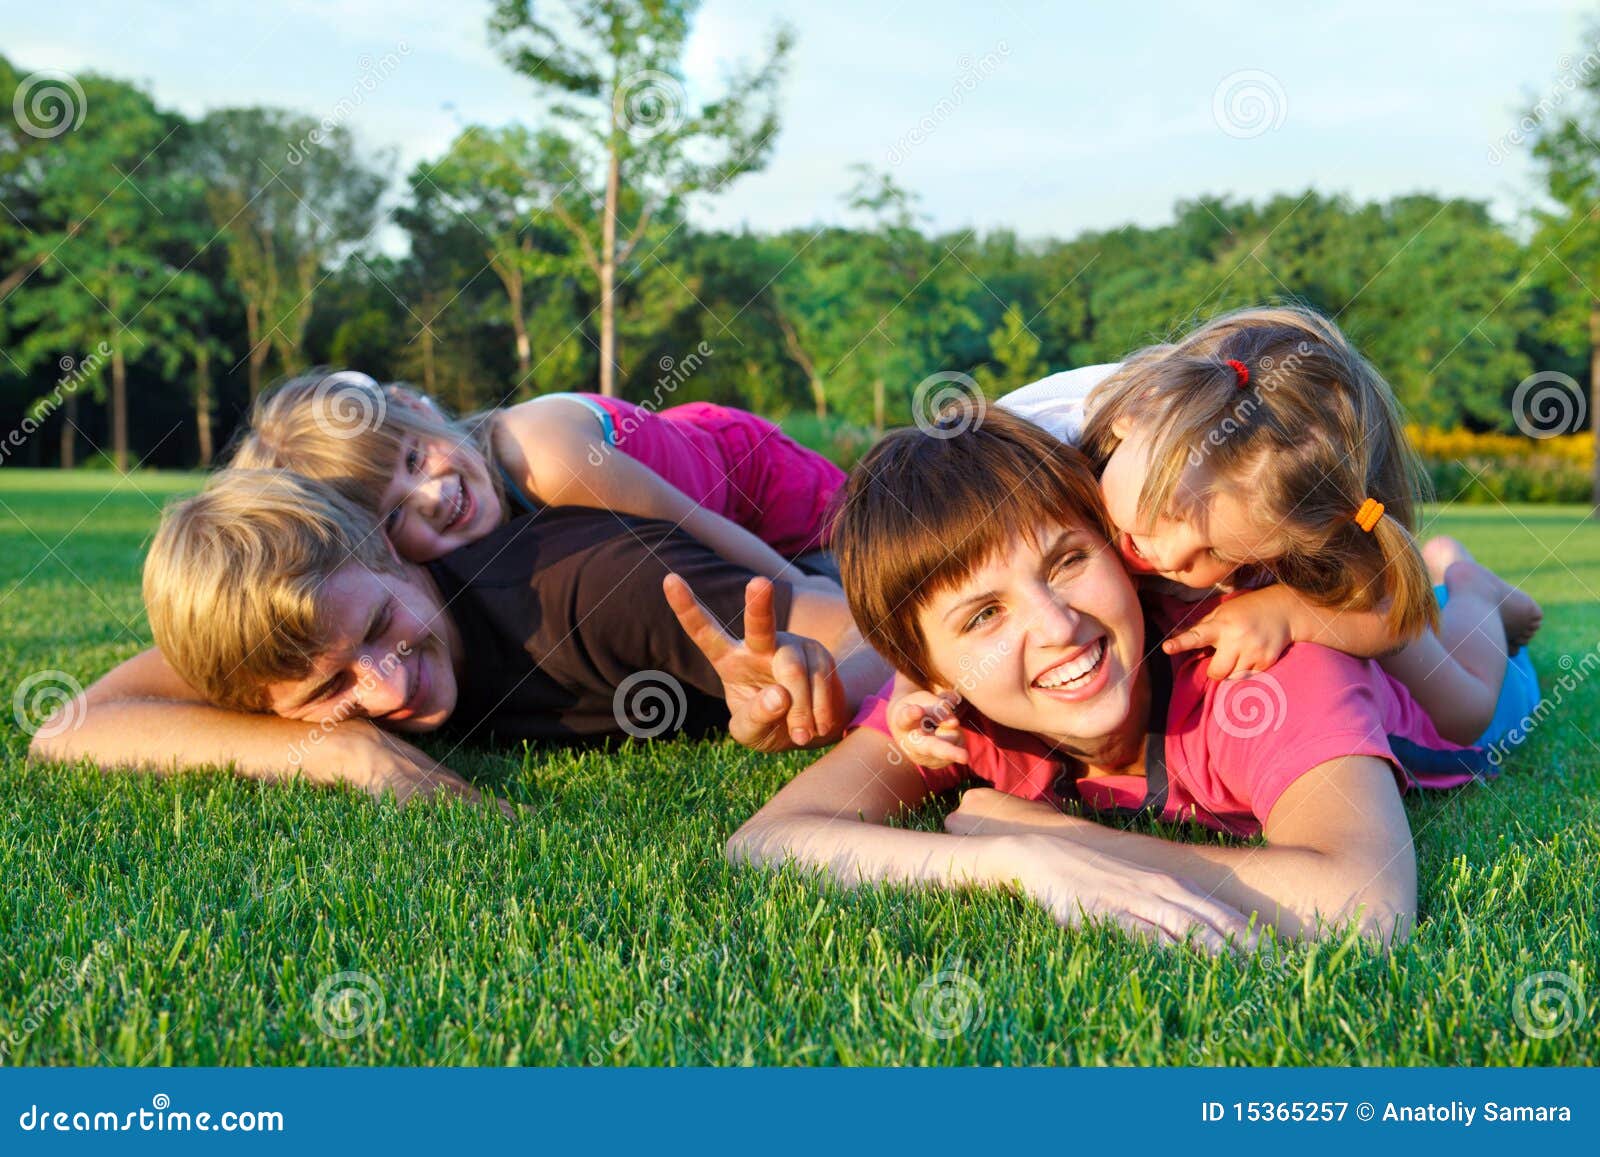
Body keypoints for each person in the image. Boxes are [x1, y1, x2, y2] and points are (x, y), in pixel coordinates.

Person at [704, 409, 1502, 951]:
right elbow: (766, 842)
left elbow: (1367, 906)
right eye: (984, 616)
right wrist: (1014, 864)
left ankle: (1468, 577)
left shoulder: (1257, 669)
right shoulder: (951, 709)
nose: (1055, 626)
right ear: (925, 667)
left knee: (1455, 627)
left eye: (1068, 561)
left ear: (1120, 549)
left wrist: (1063, 837)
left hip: (1428, 679)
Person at [29, 469, 888, 807]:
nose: (389, 688)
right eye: (330, 692)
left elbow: (879, 628)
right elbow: (70, 727)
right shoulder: (287, 634)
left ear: (384, 548)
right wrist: (333, 755)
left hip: (863, 537)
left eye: (378, 626)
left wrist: (809, 676)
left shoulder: (595, 589)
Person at [996, 305, 1540, 749]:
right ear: (1136, 413)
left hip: (1408, 628)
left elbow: (1389, 620)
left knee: (1463, 713)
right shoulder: (1042, 434)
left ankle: (1472, 588)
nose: (1173, 556)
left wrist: (1289, 611)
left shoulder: (1296, 503)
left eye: (1219, 551)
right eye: (1171, 511)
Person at [229, 370, 847, 585]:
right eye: (394, 515)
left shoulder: (541, 457)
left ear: (416, 408)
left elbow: (701, 528)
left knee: (880, 562)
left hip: (752, 484)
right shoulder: (457, 535)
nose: (434, 497)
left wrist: (805, 594)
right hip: (680, 469)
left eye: (415, 460)